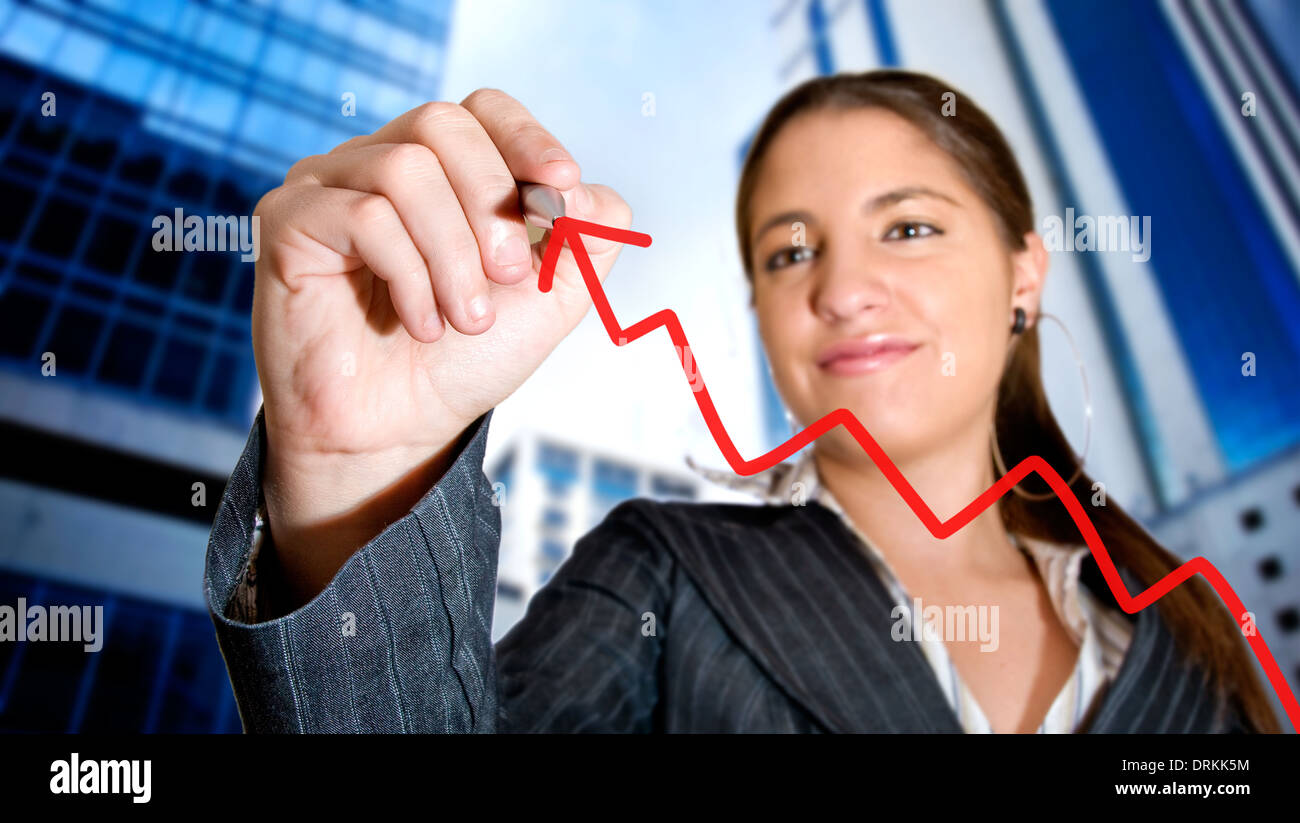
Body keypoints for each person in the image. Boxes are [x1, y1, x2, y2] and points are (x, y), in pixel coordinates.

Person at [204, 70, 1279, 733]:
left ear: (1024, 274)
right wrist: (352, 478)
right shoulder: (663, 578)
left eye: (907, 226)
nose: (841, 290)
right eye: (788, 250)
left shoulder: (1185, 627)